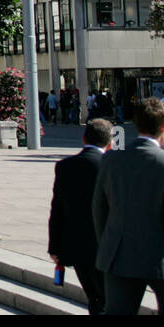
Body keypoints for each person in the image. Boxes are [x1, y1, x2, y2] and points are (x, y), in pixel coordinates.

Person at [92, 98, 164, 314]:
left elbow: (99, 209)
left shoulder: (111, 160)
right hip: (161, 258)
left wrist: (107, 243)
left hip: (118, 255)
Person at [47, 118, 113, 315]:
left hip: (75, 245)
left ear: (84, 139)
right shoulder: (111, 166)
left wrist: (54, 246)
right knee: (109, 298)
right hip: (107, 245)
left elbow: (56, 209)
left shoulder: (65, 166)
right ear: (110, 143)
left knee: (93, 297)